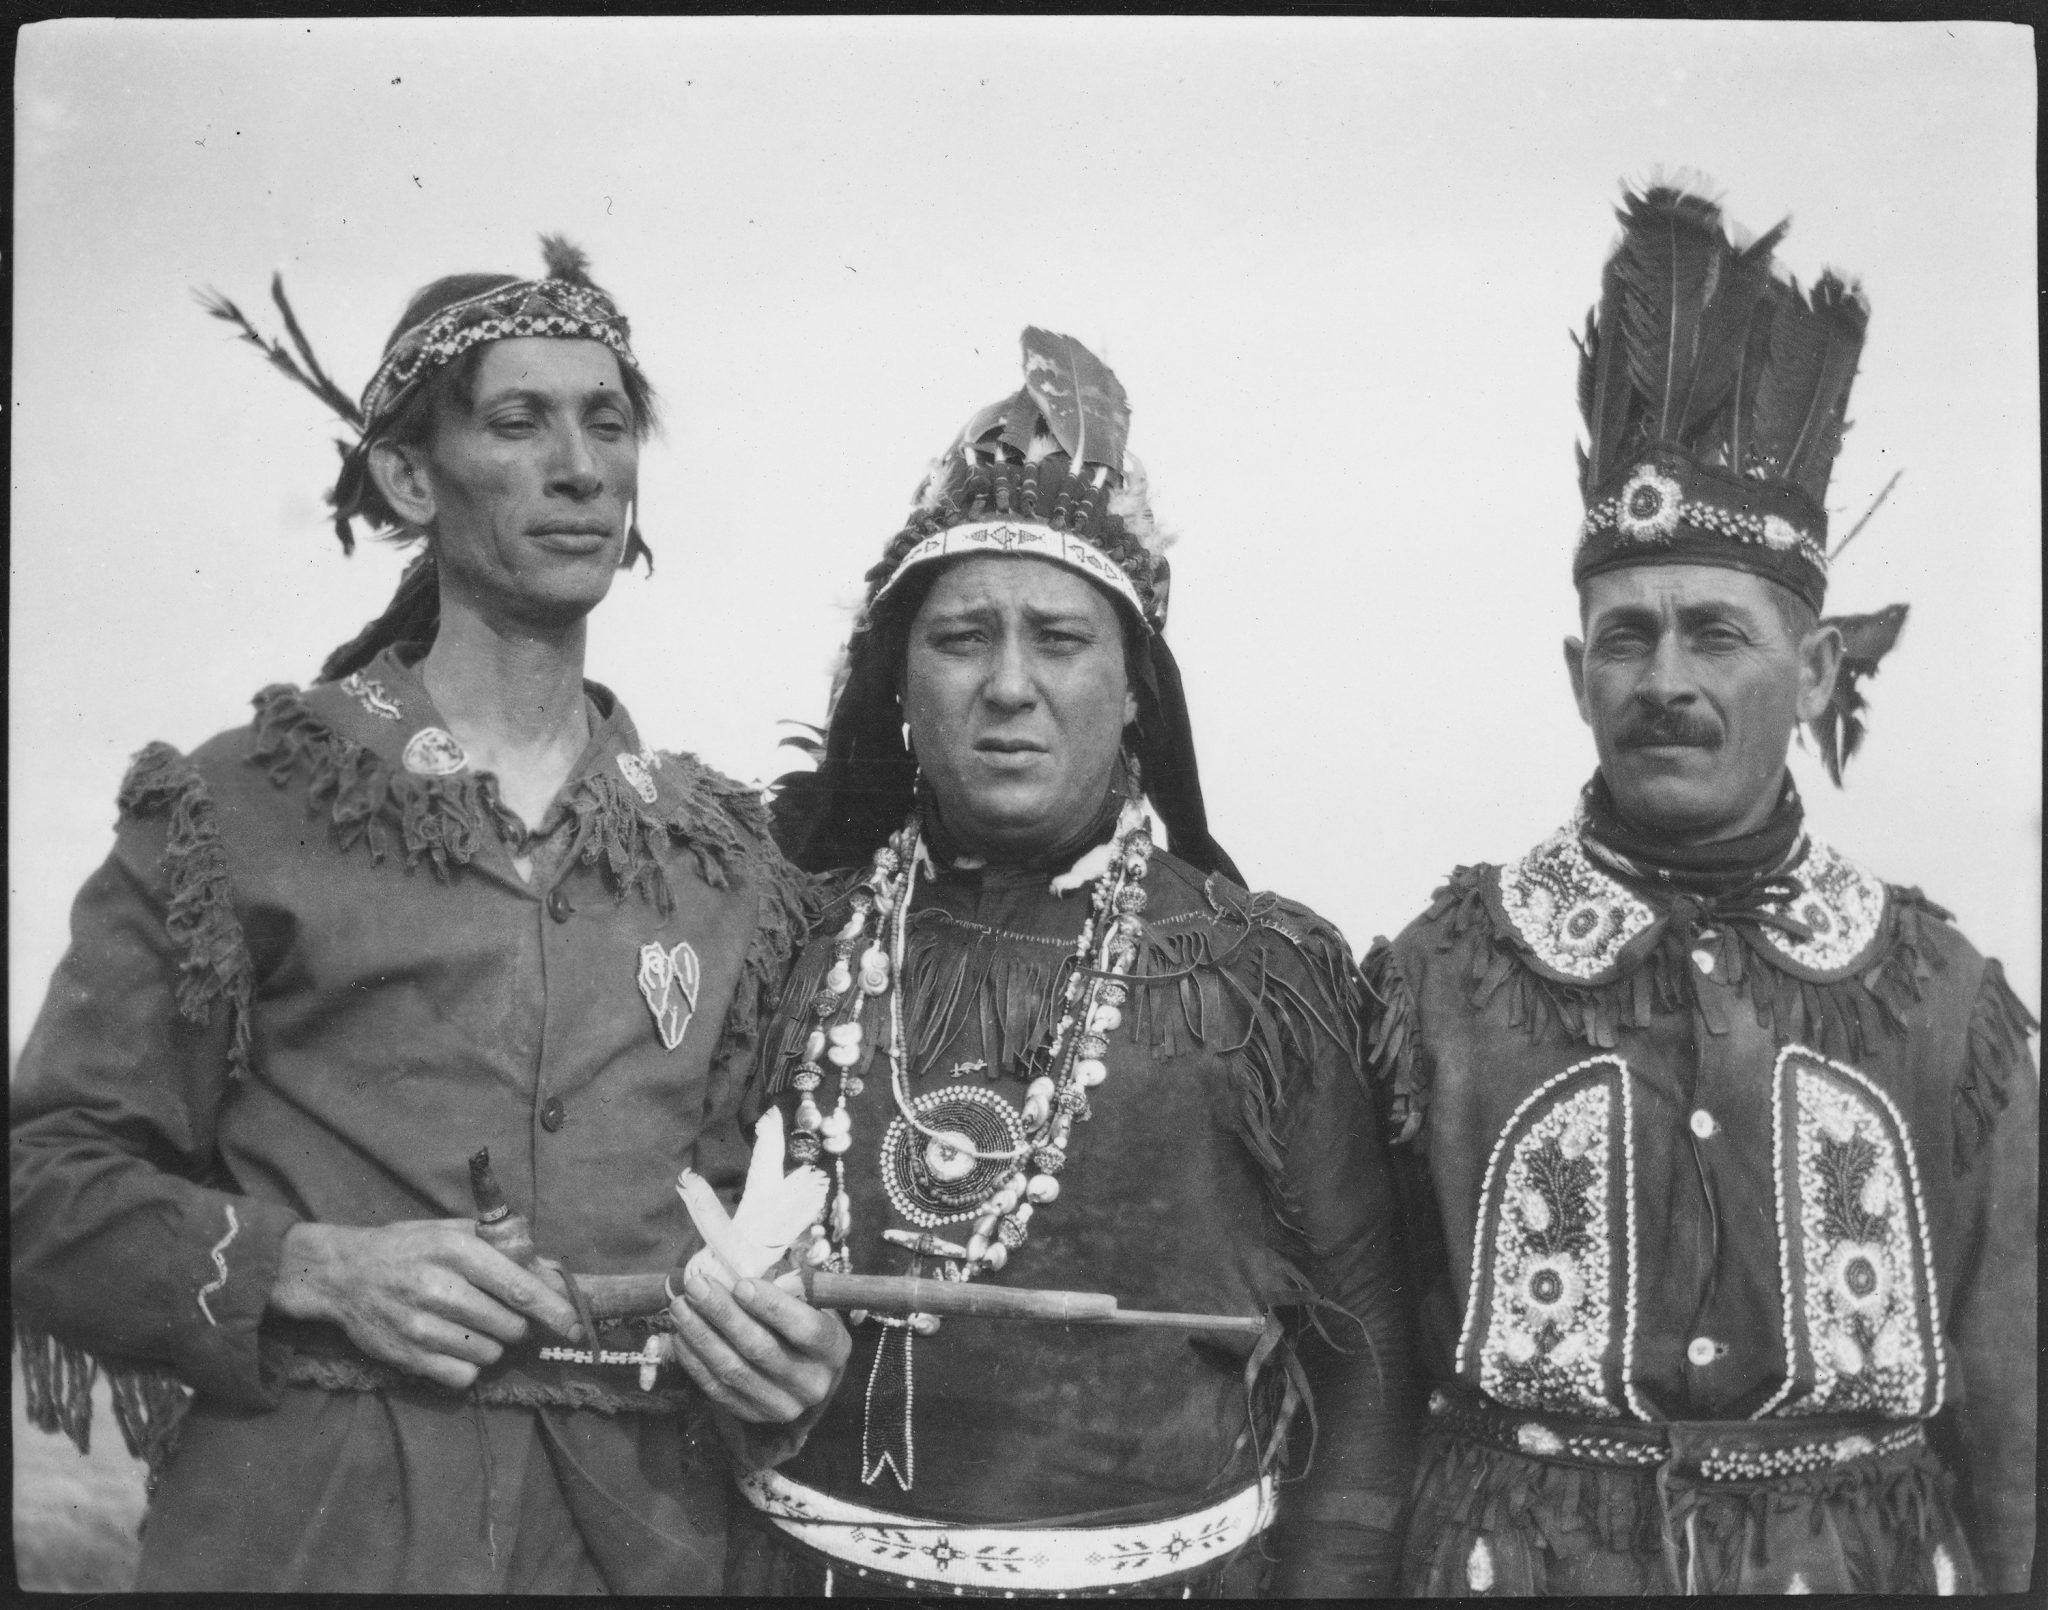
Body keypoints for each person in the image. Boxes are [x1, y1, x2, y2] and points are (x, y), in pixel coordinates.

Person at [10, 238, 849, 1592]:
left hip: (640, 1545)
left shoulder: (728, 859)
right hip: (307, 1535)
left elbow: (771, 1225)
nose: (580, 467)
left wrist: (791, 1345)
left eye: (609, 422)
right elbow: (41, 1183)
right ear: (409, 476)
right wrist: (313, 1267)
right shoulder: (241, 808)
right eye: (520, 421)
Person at [1366, 184, 2038, 1595]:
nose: (1664, 680)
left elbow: (2020, 1420)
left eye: (1717, 633)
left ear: (1816, 673)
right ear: (1577, 675)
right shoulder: (1439, 977)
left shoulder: (1944, 1001)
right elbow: (1363, 1396)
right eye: (1628, 638)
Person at [724, 329, 1414, 1597]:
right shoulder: (784, 940)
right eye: (958, 638)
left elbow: (1363, 1361)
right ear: (895, 682)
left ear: (1137, 686)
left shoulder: (1256, 980)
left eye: (1056, 637)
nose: (1005, 686)